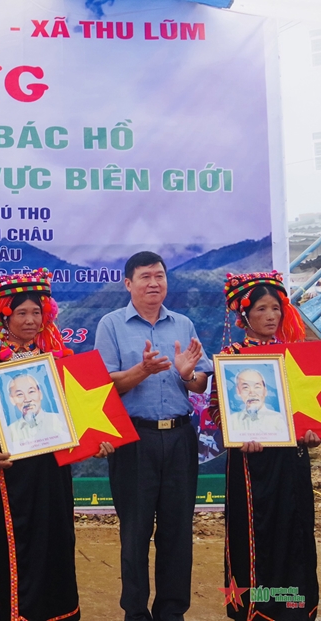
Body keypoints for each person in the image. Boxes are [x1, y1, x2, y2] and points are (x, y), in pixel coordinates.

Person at [0, 268, 105, 621]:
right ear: (5, 315)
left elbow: (80, 417)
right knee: (21, 544)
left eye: (36, 312)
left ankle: (63, 613)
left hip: (54, 467)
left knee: (59, 539)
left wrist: (97, 441)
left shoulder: (58, 360)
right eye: (21, 313)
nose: (31, 320)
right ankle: (20, 614)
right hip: (13, 471)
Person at [94, 251, 212, 621]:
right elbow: (104, 385)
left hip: (179, 438)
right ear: (128, 283)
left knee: (177, 531)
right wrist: (142, 370)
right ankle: (135, 612)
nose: (153, 283)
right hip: (134, 440)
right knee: (135, 532)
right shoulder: (111, 325)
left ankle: (171, 612)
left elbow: (200, 381)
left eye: (159, 276)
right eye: (145, 277)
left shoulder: (183, 324)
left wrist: (186, 374)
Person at [208, 270, 319, 620]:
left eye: (276, 308)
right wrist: (239, 435)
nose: (271, 316)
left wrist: (313, 434)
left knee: (296, 531)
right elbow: (216, 409)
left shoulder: (297, 356)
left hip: (292, 462)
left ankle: (295, 606)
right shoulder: (231, 356)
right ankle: (259, 607)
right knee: (257, 533)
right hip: (251, 466)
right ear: (244, 316)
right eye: (262, 309)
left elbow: (312, 410)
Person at [5, 372, 70, 447]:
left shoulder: (61, 420)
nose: (27, 399)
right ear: (12, 399)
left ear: (40, 394)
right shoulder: (8, 432)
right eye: (20, 394)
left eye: (31, 391)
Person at [228, 369, 287, 436]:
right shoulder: (232, 421)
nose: (252, 393)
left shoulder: (278, 419)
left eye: (257, 387)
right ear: (238, 391)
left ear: (265, 391)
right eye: (245, 387)